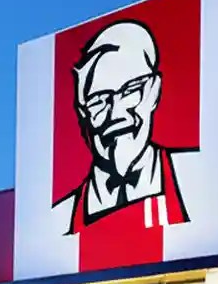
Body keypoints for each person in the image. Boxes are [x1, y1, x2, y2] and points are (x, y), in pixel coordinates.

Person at [62, 20, 190, 233]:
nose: (116, 113)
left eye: (130, 91)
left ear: (154, 90)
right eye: (98, 100)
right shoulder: (59, 219)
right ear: (83, 113)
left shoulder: (199, 181)